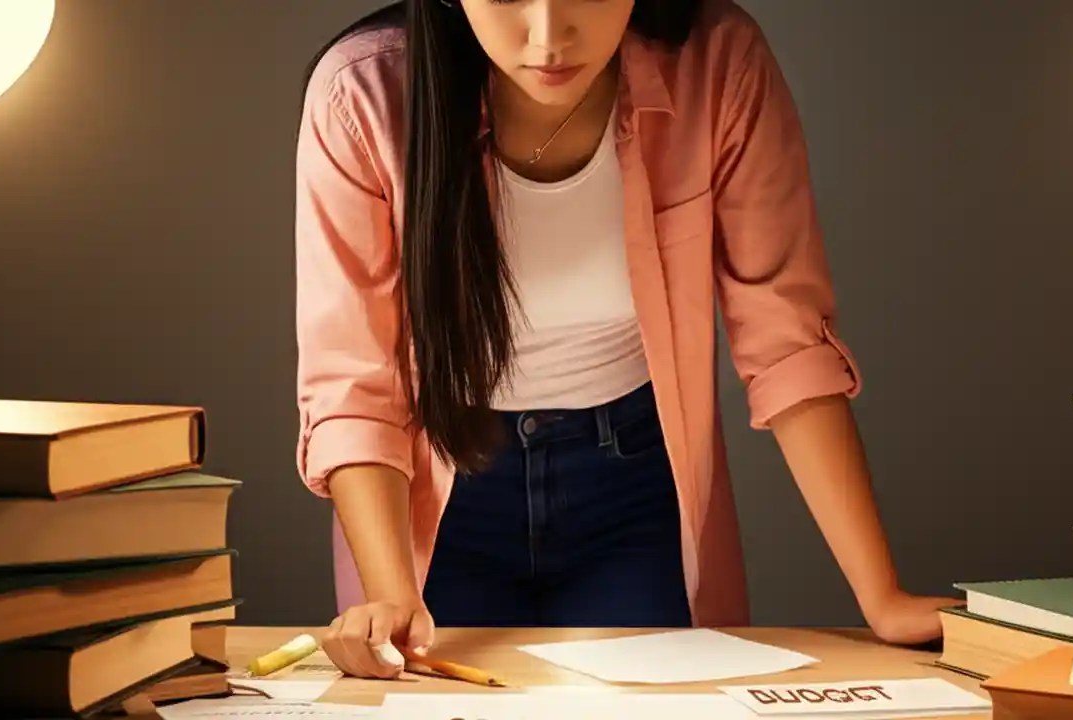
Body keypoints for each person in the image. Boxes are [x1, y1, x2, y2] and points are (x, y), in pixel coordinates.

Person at [294, 0, 956, 680]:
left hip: (632, 488)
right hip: (437, 496)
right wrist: (390, 593)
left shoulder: (715, 64)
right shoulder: (364, 95)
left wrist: (883, 596)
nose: (549, 36)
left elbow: (786, 342)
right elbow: (354, 384)